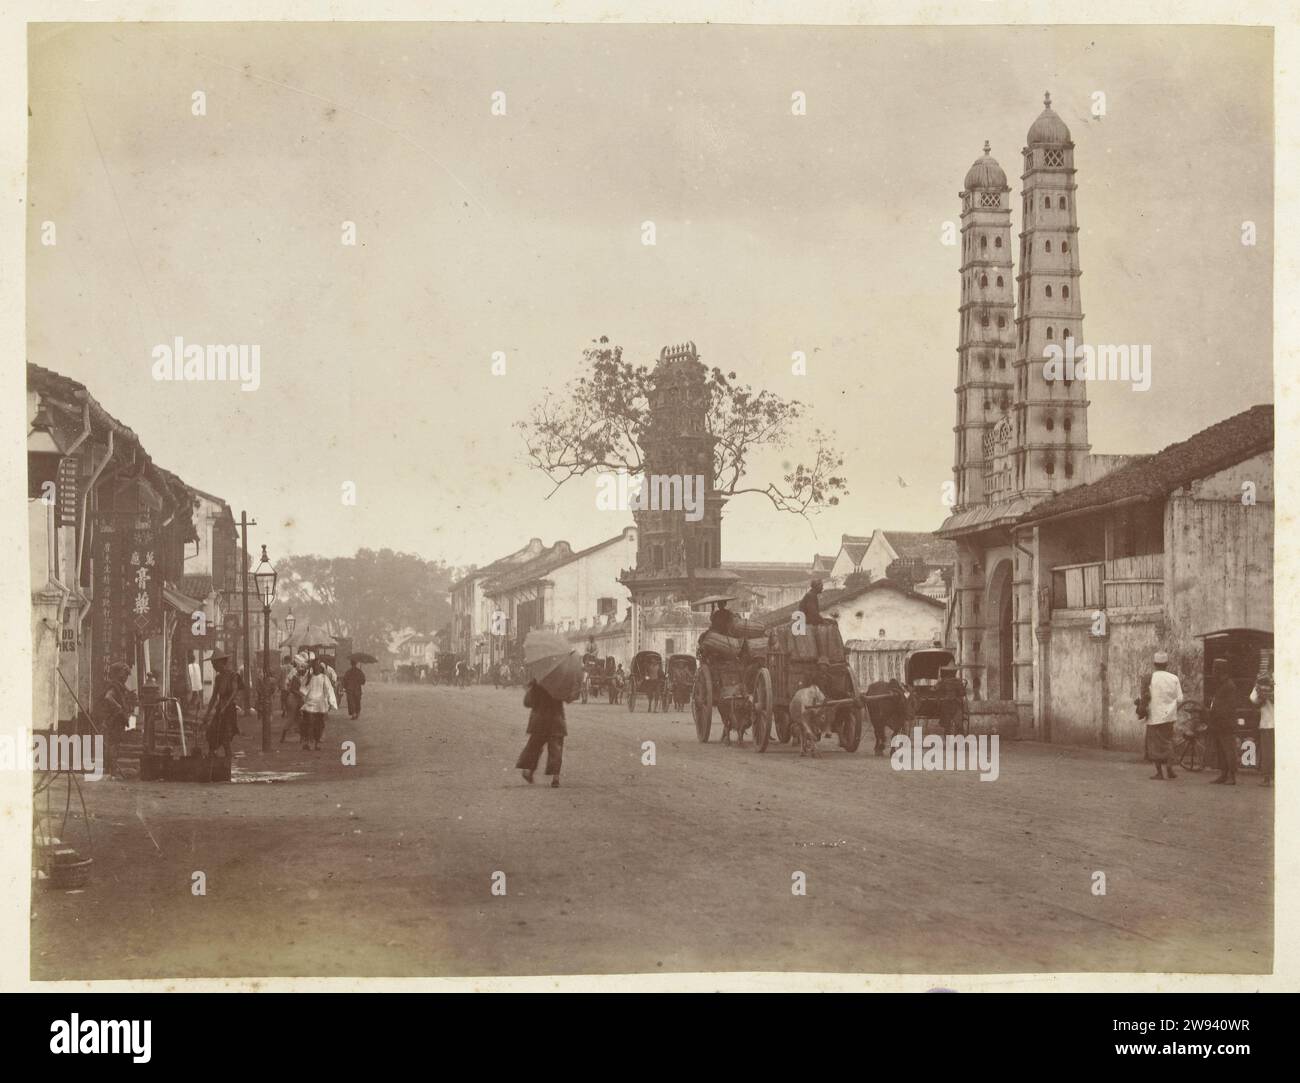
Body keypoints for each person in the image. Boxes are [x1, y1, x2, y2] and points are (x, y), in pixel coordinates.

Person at [1140, 651, 1183, 780]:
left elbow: (1144, 697)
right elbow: (1180, 698)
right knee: (1168, 741)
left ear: (1154, 664)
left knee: (1154, 746)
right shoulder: (1174, 678)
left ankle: (1159, 772)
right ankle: (1169, 769)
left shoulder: (1149, 678)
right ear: (1166, 664)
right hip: (1169, 717)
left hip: (1155, 716)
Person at [517, 679, 566, 787]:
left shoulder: (538, 683)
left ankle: (528, 771)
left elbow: (527, 703)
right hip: (556, 720)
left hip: (540, 721)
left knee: (534, 747)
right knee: (556, 749)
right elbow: (567, 697)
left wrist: (531, 689)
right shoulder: (560, 683)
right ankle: (555, 778)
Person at [203, 652, 244, 758]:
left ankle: (228, 762)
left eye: (215, 664)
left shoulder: (233, 675)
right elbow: (213, 697)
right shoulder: (218, 678)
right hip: (220, 709)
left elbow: (234, 692)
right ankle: (211, 757)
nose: (214, 667)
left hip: (229, 710)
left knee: (226, 738)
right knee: (212, 734)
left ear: (221, 663)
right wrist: (207, 714)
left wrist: (225, 707)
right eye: (212, 665)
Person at [1208, 658, 1242, 785]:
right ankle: (1223, 774)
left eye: (1215, 669)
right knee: (1221, 750)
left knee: (1228, 750)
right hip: (1219, 723)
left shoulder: (1229, 686)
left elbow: (1228, 708)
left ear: (1221, 671)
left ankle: (1231, 776)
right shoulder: (1222, 685)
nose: (1213, 672)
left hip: (1226, 724)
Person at [97, 661, 133, 772]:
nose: (126, 677)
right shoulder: (114, 686)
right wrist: (119, 708)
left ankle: (111, 768)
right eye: (125, 674)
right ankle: (110, 768)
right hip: (113, 720)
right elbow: (108, 697)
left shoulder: (121, 687)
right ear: (119, 674)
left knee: (114, 743)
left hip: (117, 720)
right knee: (112, 743)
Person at [300, 659, 337, 751]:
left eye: (318, 666)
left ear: (320, 668)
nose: (317, 668)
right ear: (313, 667)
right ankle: (308, 742)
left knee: (319, 725)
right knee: (309, 724)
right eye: (314, 666)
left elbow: (329, 690)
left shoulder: (324, 678)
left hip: (320, 705)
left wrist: (332, 702)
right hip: (310, 704)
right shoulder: (308, 677)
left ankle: (316, 743)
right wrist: (304, 694)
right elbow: (302, 689)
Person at [1250, 673, 1274, 787]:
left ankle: (1267, 778)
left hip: (1267, 723)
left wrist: (1259, 689)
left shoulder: (1260, 684)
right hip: (1276, 723)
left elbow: (1253, 699)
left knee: (1267, 752)